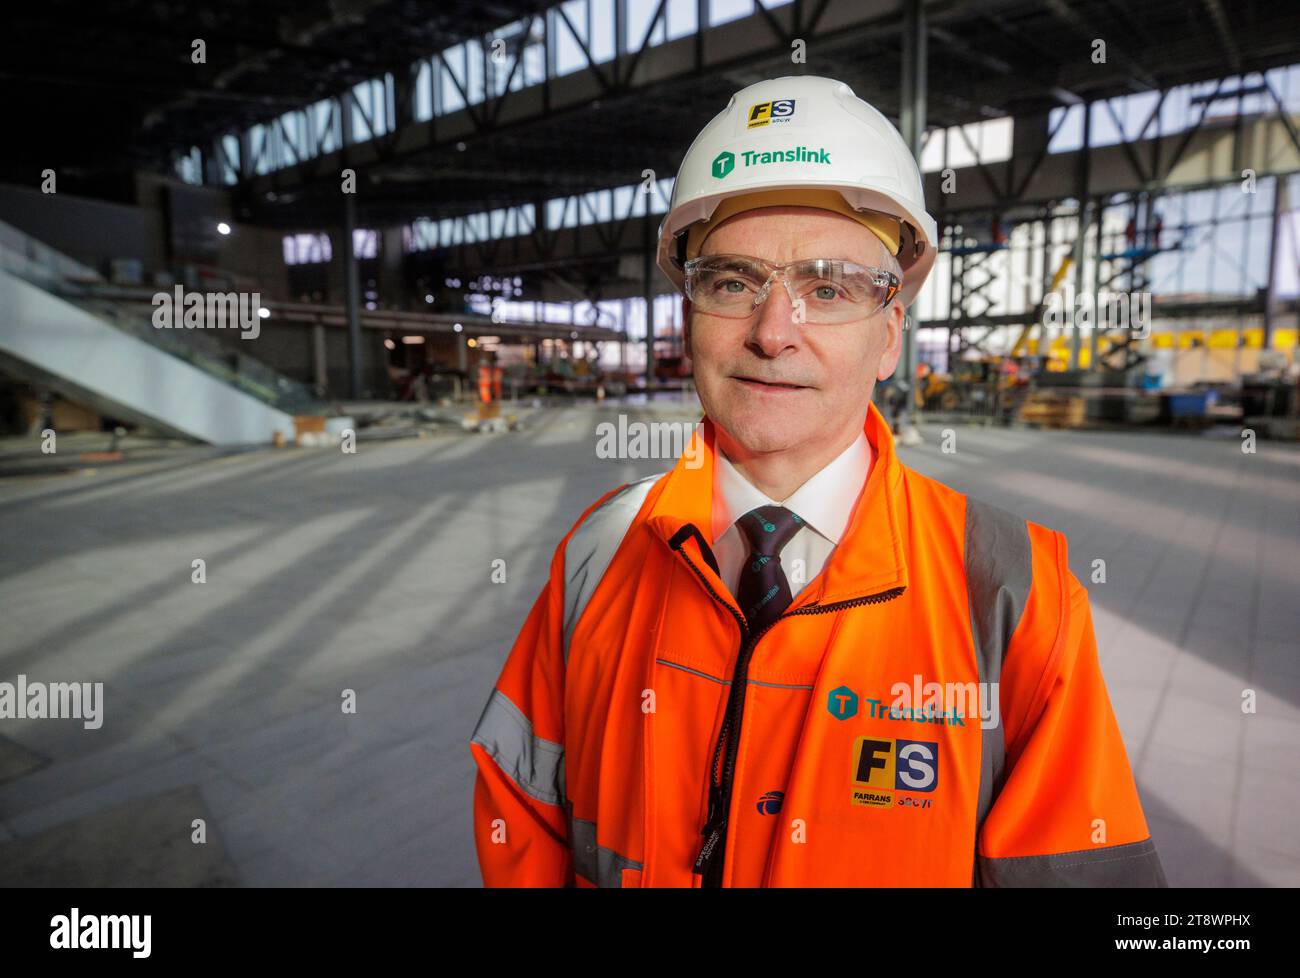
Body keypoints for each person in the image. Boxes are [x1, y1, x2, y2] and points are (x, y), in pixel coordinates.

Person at [469, 75, 1166, 888]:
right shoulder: (599, 551)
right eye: (733, 282)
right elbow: (518, 815)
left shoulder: (1015, 594)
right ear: (688, 314)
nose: (772, 333)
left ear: (890, 337)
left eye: (827, 288)